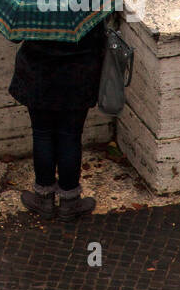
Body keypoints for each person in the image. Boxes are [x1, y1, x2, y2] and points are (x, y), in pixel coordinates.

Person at [9, 18, 107, 220]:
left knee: (42, 133)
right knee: (70, 136)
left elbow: (16, 34)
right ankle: (69, 202)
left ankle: (44, 199)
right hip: (78, 76)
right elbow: (100, 35)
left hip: (38, 75)